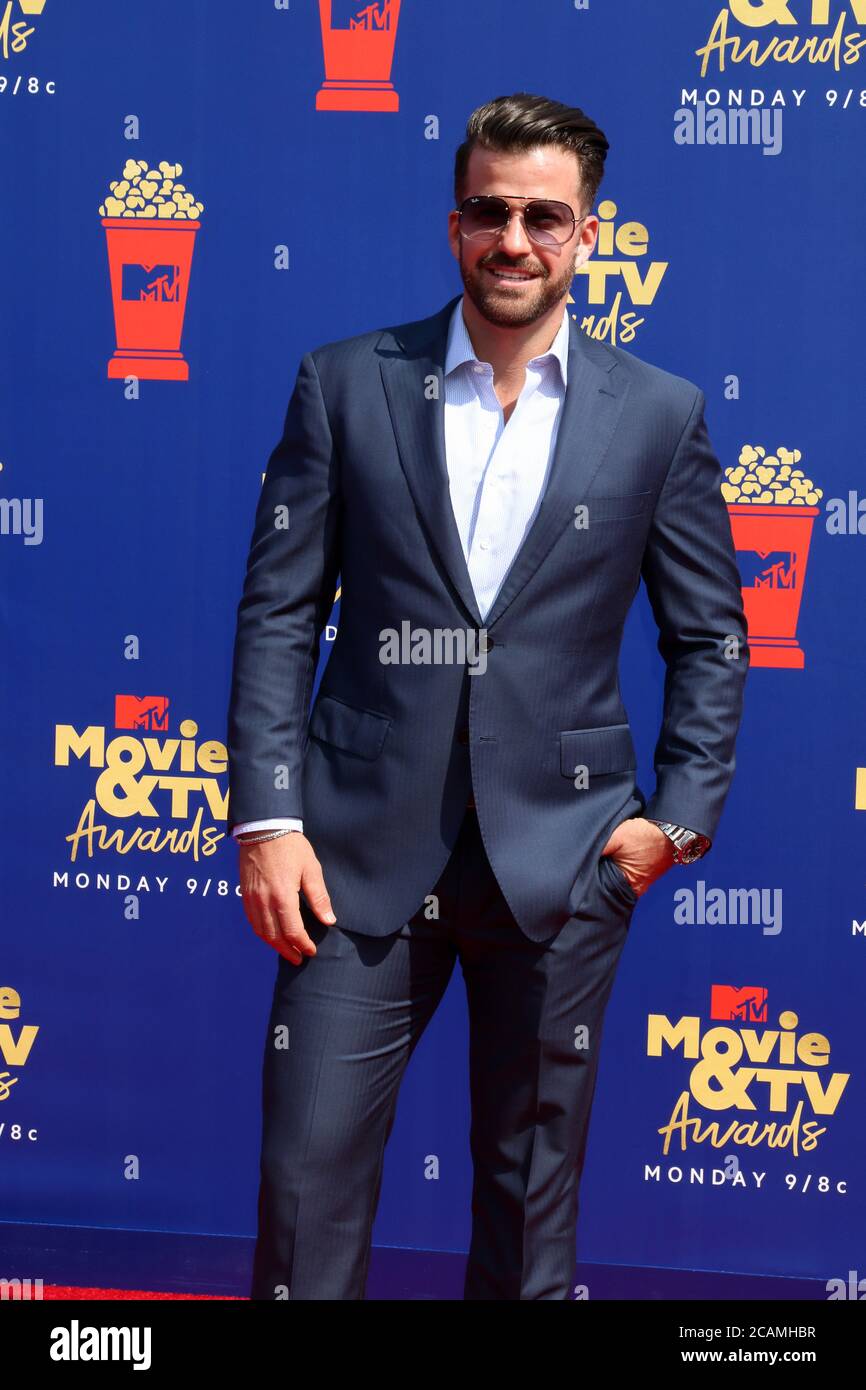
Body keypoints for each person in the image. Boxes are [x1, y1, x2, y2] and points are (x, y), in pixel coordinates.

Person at [225, 91, 749, 1300]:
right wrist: (268, 818)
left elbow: (711, 639)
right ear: (451, 220)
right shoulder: (347, 383)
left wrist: (667, 824)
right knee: (303, 1196)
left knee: (529, 1210)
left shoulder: (658, 415)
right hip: (348, 862)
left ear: (588, 235)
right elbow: (277, 613)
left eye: (544, 217)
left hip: (564, 863)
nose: (513, 239)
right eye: (488, 210)